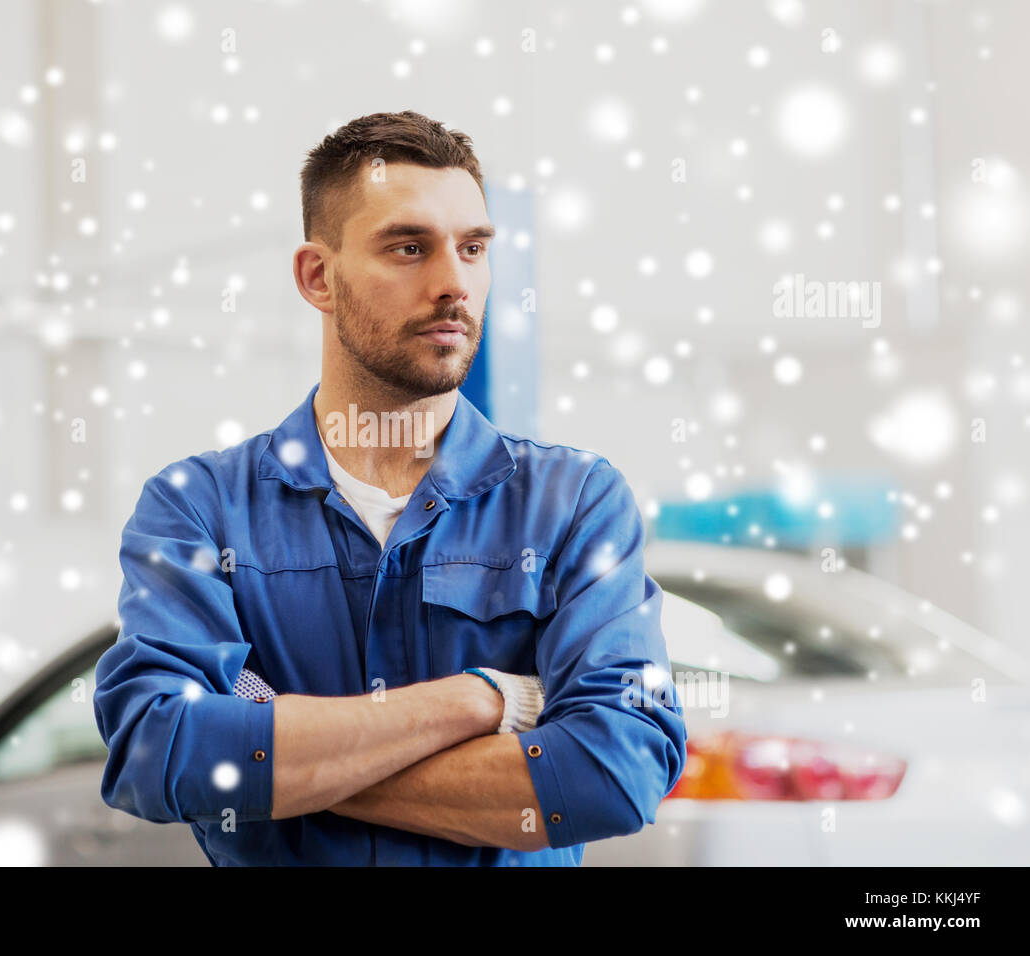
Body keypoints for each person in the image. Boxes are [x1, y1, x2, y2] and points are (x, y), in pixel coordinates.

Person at [92, 110, 687, 866]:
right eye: (409, 248)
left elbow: (615, 772)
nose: (453, 285)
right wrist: (481, 700)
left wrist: (280, 752)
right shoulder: (201, 510)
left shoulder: (572, 502)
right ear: (318, 277)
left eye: (473, 249)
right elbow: (157, 753)